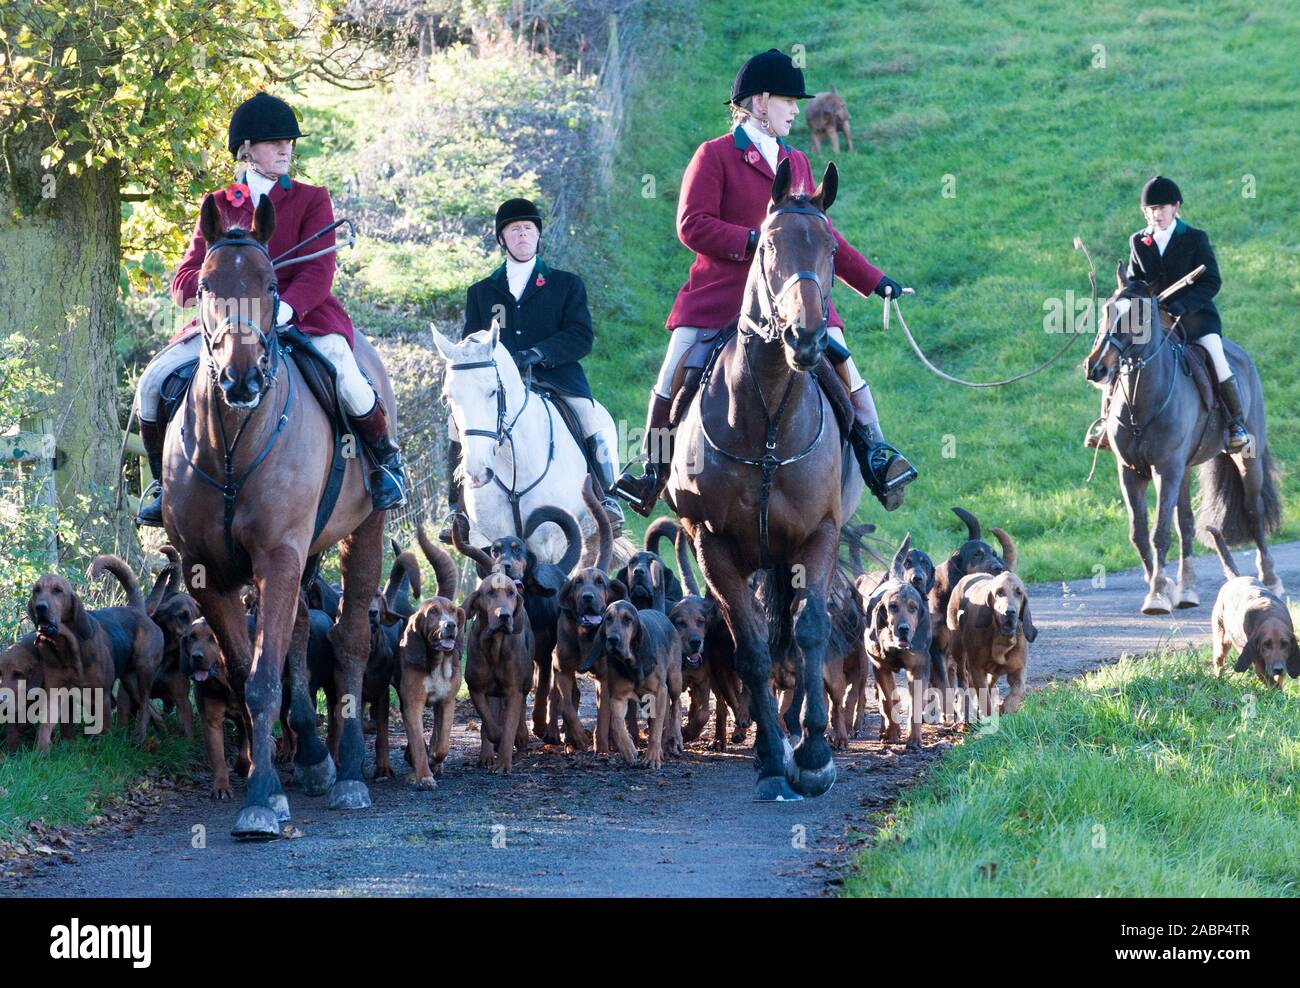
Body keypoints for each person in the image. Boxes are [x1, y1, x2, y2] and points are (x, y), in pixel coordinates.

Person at [611, 48, 917, 517]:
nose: (797, 109)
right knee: (672, 370)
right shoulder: (714, 155)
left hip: (796, 300)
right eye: (788, 100)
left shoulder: (798, 161)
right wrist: (756, 241)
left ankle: (876, 454)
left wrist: (876, 282)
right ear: (758, 102)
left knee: (845, 366)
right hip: (723, 298)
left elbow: (822, 233)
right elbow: (691, 224)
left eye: (797, 102)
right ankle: (652, 470)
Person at [133, 92, 408, 527]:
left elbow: (319, 272)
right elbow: (185, 277)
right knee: (151, 382)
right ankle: (160, 483)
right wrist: (212, 295)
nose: (286, 149)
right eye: (274, 141)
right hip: (226, 328)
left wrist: (280, 311)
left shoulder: (311, 198)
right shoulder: (219, 203)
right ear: (246, 149)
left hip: (302, 317)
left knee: (347, 376)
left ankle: (385, 464)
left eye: (289, 142)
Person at [448, 197, 625, 531]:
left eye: (528, 229)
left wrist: (539, 353)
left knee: (593, 419)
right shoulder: (482, 292)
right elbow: (472, 346)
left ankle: (606, 499)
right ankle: (456, 509)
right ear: (502, 239)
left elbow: (580, 335)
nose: (523, 236)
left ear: (538, 235)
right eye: (515, 230)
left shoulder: (565, 284)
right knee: (456, 425)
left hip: (557, 380)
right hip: (499, 388)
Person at [1085, 175, 1248, 454]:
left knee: (1218, 358)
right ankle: (1105, 422)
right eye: (1150, 210)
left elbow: (1211, 282)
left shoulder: (1195, 238)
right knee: (1119, 353)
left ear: (1176, 207)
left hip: (1195, 318)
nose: (1155, 215)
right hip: (1154, 320)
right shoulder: (1138, 241)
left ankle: (1235, 424)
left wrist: (1182, 305)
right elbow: (1136, 283)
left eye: (1161, 208)